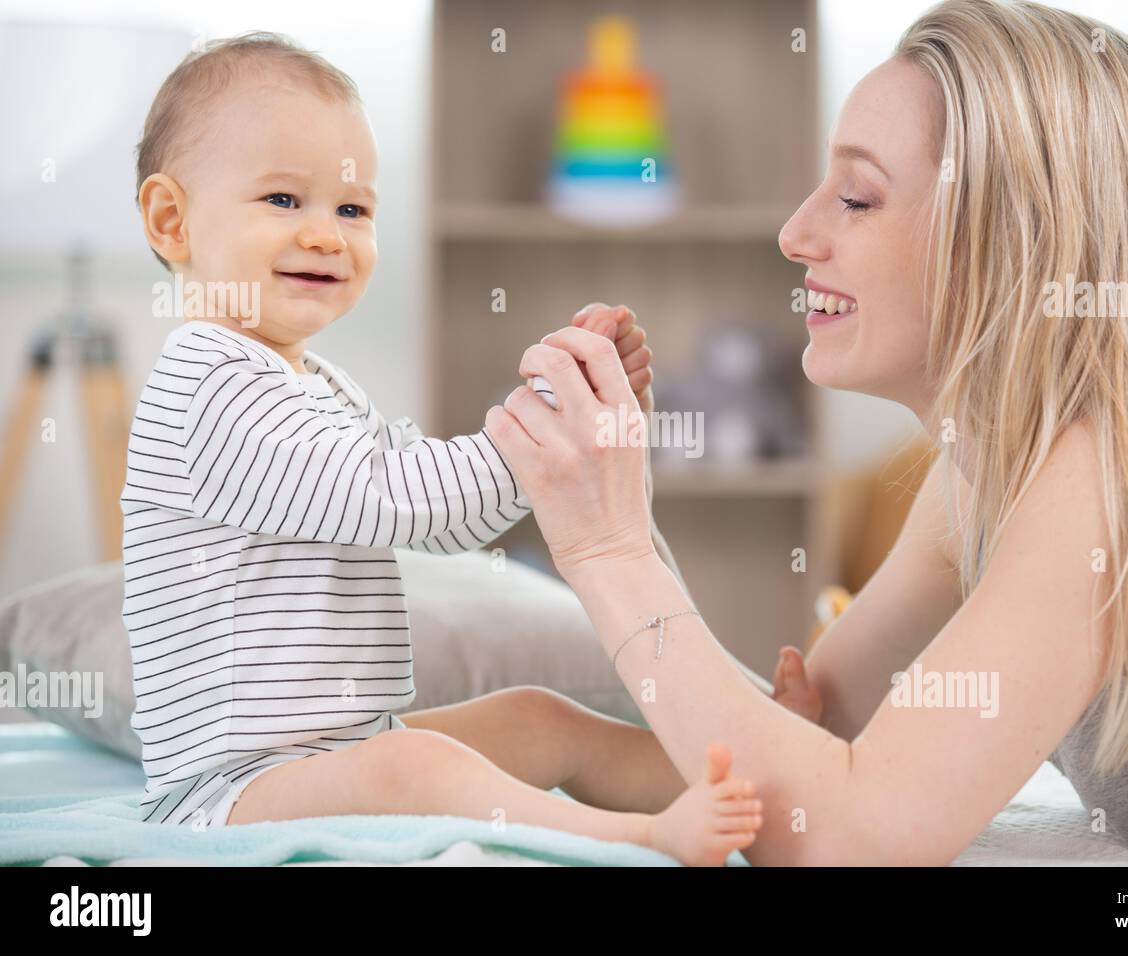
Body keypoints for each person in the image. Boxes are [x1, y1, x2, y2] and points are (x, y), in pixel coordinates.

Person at [484, 0, 1128, 865]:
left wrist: (609, 554)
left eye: (856, 198)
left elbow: (847, 837)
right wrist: (554, 734)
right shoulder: (980, 477)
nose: (796, 235)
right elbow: (812, 734)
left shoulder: (1108, 475)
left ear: (1012, 240)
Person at [123, 31, 765, 865]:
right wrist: (543, 426)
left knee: (537, 716)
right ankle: (641, 833)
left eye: (352, 209)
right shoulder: (208, 384)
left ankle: (756, 767)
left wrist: (572, 419)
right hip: (230, 793)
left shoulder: (315, 384)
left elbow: (453, 516)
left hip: (337, 746)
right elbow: (396, 497)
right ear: (172, 220)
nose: (326, 235)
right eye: (283, 200)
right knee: (409, 765)